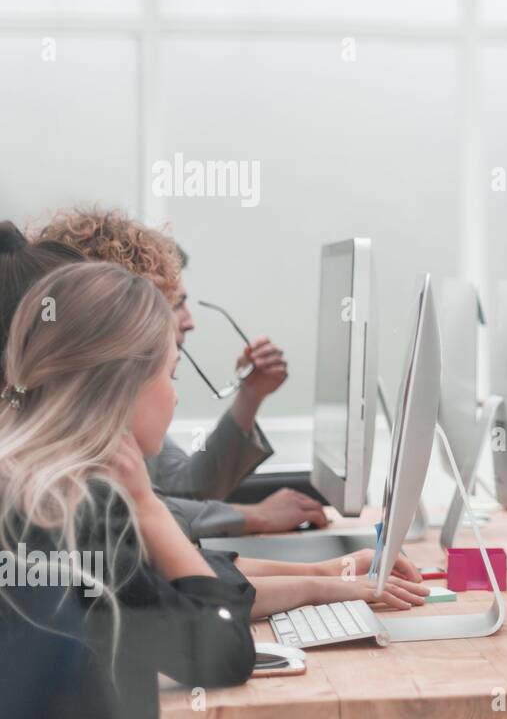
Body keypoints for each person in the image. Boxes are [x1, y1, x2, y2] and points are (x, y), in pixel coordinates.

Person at [0, 221, 429, 618]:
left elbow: (172, 518)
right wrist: (260, 524)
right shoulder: (66, 502)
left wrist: (324, 575)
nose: (186, 322)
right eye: (174, 305)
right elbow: (183, 578)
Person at [0, 261, 256, 719]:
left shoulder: (17, 486)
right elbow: (224, 650)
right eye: (171, 375)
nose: (175, 398)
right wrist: (148, 508)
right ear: (126, 385)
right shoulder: (81, 511)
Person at [35, 208, 324, 538]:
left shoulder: (122, 400)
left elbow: (185, 488)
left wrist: (251, 396)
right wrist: (252, 516)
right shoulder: (65, 421)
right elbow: (127, 518)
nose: (189, 321)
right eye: (176, 305)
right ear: (123, 309)